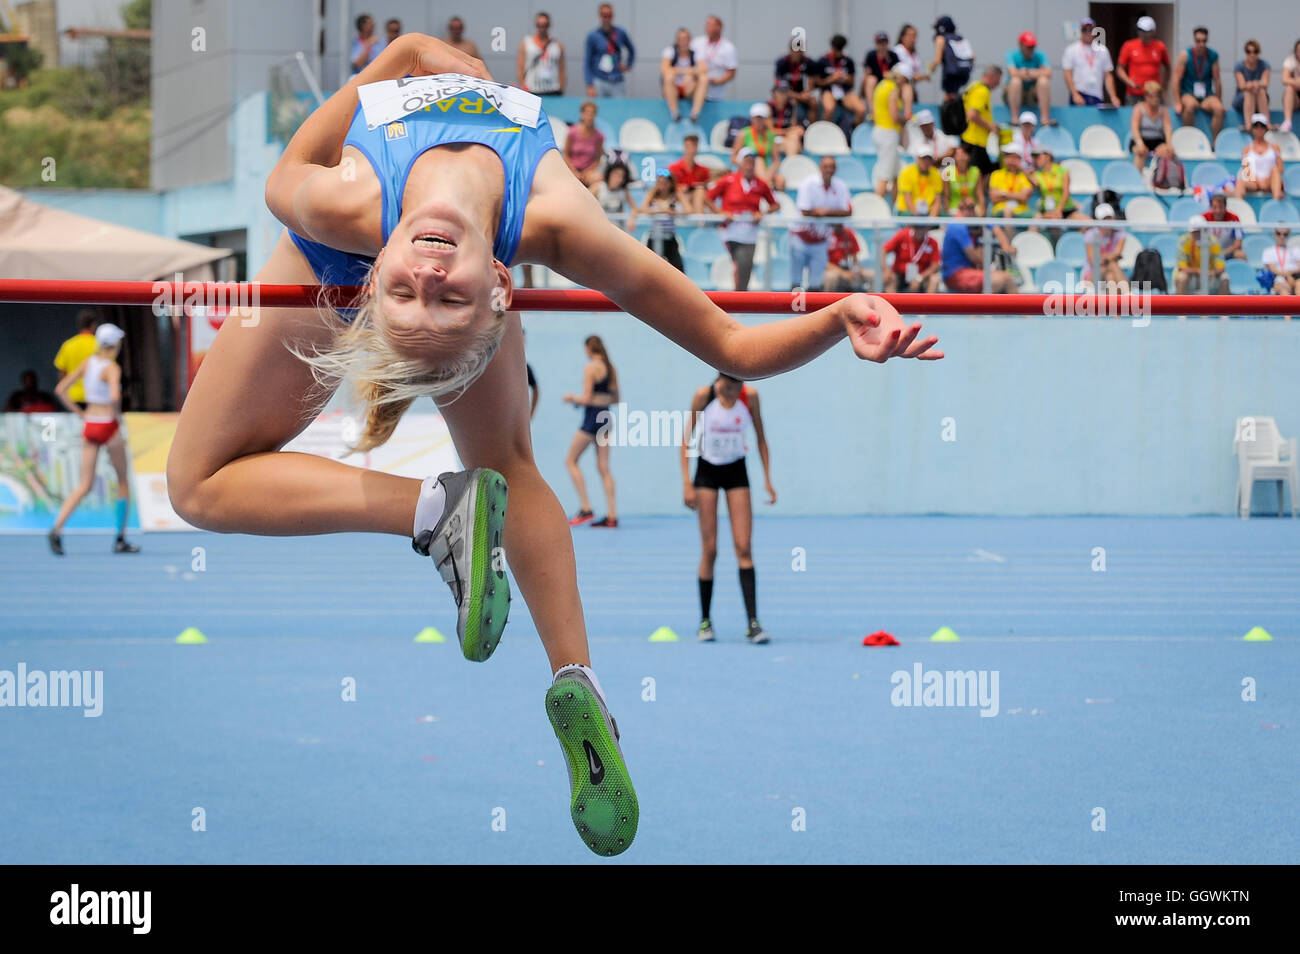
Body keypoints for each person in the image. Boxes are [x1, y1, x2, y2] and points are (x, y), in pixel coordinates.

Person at [164, 34, 942, 858]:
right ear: (496, 285)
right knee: (498, 465)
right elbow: (730, 346)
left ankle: (453, 529)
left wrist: (396, 61)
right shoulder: (556, 222)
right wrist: (841, 315)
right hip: (344, 257)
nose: (428, 279)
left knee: (197, 483)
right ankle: (559, 654)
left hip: (325, 252)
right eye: (439, 292)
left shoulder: (349, 206)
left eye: (412, 290)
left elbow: (290, 169)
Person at [682, 373, 775, 644]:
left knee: (744, 547)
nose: (733, 394)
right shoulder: (704, 395)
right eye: (729, 389)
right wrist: (686, 482)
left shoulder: (751, 397)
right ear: (720, 380)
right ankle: (705, 621)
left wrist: (768, 479)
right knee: (710, 549)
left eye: (738, 389)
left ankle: (753, 623)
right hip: (707, 473)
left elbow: (761, 437)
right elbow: (686, 439)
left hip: (736, 471)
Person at [49, 323, 139, 555]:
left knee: (84, 484)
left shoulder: (88, 364)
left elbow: (61, 389)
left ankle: (57, 529)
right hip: (108, 424)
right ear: (115, 344)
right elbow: (114, 396)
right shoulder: (111, 367)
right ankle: (120, 538)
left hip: (90, 422)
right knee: (122, 482)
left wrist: (80, 413)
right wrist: (117, 414)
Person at [563, 335, 618, 528]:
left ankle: (586, 508)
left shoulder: (590, 368)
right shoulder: (610, 369)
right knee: (604, 467)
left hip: (592, 417)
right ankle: (612, 515)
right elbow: (615, 399)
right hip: (606, 417)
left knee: (570, 460)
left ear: (588, 348)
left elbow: (586, 399)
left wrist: (571, 398)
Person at [707, 148, 779, 290]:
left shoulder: (760, 184)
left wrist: (762, 212)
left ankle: (740, 295)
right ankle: (738, 295)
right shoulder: (728, 180)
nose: (749, 166)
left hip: (750, 232)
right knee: (740, 262)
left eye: (752, 163)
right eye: (746, 162)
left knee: (747, 265)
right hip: (731, 231)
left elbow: (775, 205)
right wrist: (721, 212)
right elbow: (708, 197)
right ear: (740, 164)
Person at [790, 156, 851, 290]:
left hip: (821, 240)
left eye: (832, 167)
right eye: (826, 166)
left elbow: (847, 211)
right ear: (820, 168)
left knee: (816, 283)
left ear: (836, 169)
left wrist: (823, 212)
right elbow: (805, 210)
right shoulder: (808, 183)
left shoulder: (840, 186)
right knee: (796, 281)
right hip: (801, 238)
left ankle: (813, 311)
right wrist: (831, 213)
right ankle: (793, 310)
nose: (829, 170)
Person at [942, 197, 1017, 292]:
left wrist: (1006, 247)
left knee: (1004, 277)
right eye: (965, 208)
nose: (970, 211)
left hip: (968, 271)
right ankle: (984, 306)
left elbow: (994, 228)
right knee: (1004, 279)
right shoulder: (957, 226)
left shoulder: (973, 222)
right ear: (960, 210)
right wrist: (984, 249)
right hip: (955, 274)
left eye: (972, 207)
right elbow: (977, 258)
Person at [1173, 26, 1225, 138]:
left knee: (1219, 109)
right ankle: (1189, 138)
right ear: (1194, 40)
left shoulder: (1212, 55)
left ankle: (1215, 142)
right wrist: (1178, 101)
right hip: (1188, 93)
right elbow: (1176, 79)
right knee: (1190, 106)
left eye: (1204, 41)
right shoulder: (1185, 55)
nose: (1201, 44)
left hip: (1206, 95)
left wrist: (1219, 99)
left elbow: (1217, 79)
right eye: (1198, 41)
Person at [628, 169, 685, 270]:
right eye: (659, 182)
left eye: (665, 183)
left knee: (678, 268)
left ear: (670, 184)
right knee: (649, 267)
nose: (662, 186)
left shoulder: (676, 195)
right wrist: (662, 211)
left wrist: (675, 212)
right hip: (654, 236)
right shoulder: (652, 194)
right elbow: (643, 209)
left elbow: (689, 209)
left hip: (670, 237)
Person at [1063, 17, 1122, 108]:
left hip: (1096, 95)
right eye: (1084, 30)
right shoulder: (1071, 50)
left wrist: (1113, 96)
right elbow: (1067, 74)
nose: (1088, 33)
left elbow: (1108, 76)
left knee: (1095, 122)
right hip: (1080, 94)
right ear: (1080, 31)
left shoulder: (1103, 50)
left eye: (1091, 30)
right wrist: (1074, 94)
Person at [881, 209, 942, 292]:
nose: (919, 230)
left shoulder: (933, 242)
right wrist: (886, 270)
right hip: (900, 274)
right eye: (917, 227)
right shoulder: (902, 235)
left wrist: (919, 277)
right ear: (912, 226)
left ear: (927, 228)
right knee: (890, 278)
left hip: (921, 276)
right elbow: (884, 250)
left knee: (934, 279)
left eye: (922, 227)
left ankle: (928, 305)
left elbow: (935, 266)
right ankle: (891, 304)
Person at [961, 65, 1002, 184]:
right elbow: (972, 115)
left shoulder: (973, 87)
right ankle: (976, 198)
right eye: (998, 80)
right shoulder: (982, 91)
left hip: (971, 139)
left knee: (984, 171)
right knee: (983, 173)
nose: (998, 84)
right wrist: (991, 127)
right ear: (992, 76)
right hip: (975, 140)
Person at [1117, 16, 1171, 106]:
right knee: (1133, 119)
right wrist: (1128, 81)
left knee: (1156, 119)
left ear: (1153, 32)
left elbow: (1168, 68)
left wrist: (1164, 88)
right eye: (1141, 31)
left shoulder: (1160, 46)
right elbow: (1119, 69)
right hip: (1134, 94)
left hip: (1154, 95)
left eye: (1147, 32)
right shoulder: (1128, 46)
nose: (1144, 34)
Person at [872, 64, 907, 199]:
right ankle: (877, 211)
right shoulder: (892, 89)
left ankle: (895, 209)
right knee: (885, 176)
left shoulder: (881, 85)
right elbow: (894, 116)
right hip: (888, 134)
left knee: (895, 174)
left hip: (880, 131)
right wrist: (906, 120)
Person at [730, 103, 785, 190]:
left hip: (765, 171)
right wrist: (746, 166)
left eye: (761, 118)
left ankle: (767, 188)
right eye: (756, 118)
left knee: (780, 180)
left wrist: (769, 173)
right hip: (747, 169)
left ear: (765, 120)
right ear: (752, 119)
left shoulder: (770, 136)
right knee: (758, 161)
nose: (758, 121)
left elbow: (776, 161)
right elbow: (733, 157)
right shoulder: (744, 133)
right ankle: (766, 186)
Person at [53, 310, 100, 409]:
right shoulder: (99, 346)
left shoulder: (68, 345)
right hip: (95, 398)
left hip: (72, 399)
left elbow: (62, 373)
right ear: (94, 325)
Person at [584, 4, 634, 97]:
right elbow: (588, 61)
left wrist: (628, 65)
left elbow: (632, 50)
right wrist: (589, 84)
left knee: (619, 109)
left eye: (609, 15)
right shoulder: (593, 36)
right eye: (604, 15)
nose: (607, 18)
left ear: (613, 15)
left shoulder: (620, 32)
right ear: (600, 16)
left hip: (617, 80)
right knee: (599, 109)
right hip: (600, 79)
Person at [817, 34, 865, 132]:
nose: (838, 53)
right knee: (829, 108)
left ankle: (853, 131)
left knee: (861, 109)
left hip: (844, 92)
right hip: (828, 91)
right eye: (836, 49)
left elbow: (852, 83)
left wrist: (845, 79)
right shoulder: (823, 60)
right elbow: (817, 83)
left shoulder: (848, 61)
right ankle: (825, 132)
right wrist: (831, 79)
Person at [773, 35, 823, 126]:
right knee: (781, 98)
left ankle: (811, 128)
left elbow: (811, 83)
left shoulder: (809, 62)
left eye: (800, 50)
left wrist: (806, 93)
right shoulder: (782, 62)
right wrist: (798, 96)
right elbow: (781, 86)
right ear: (790, 49)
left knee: (813, 102)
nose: (797, 52)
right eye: (794, 49)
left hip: (802, 93)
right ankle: (782, 127)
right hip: (787, 92)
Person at [1006, 31, 1054, 126]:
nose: (1031, 49)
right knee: (1016, 81)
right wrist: (1038, 72)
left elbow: (1048, 73)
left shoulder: (1040, 55)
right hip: (1014, 93)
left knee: (1043, 81)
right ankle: (1015, 119)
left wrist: (1026, 72)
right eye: (1028, 47)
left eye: (1033, 46)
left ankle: (1045, 119)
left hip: (1032, 94)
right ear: (1020, 45)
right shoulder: (1011, 54)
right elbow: (1012, 73)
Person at [1234, 114, 1285, 200]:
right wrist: (1259, 182)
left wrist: (1266, 180)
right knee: (1240, 183)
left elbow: (1280, 168)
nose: (1259, 129)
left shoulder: (1274, 147)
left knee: (1275, 169)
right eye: (1256, 126)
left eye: (1262, 126)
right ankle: (1239, 207)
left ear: (1266, 128)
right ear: (1252, 128)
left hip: (1271, 181)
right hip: (1254, 182)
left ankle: (1276, 199)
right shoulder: (1246, 149)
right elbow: (1247, 172)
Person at [1082, 203, 1130, 293]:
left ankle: (1114, 304)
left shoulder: (1120, 234)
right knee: (1112, 265)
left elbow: (1115, 255)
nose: (1108, 221)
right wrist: (1110, 258)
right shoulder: (1091, 234)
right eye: (1105, 219)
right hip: (1092, 274)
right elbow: (1094, 262)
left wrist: (1104, 258)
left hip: (1109, 271)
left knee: (1110, 276)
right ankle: (1127, 293)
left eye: (1109, 218)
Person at [662, 27, 707, 122]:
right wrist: (689, 71)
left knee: (703, 79)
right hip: (674, 89)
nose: (684, 42)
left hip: (689, 88)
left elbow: (703, 69)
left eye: (686, 39)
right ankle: (675, 113)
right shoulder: (670, 51)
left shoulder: (695, 53)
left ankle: (695, 113)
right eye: (681, 39)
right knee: (668, 77)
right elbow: (665, 69)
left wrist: (689, 76)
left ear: (690, 40)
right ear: (677, 40)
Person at [1130, 81, 1176, 171]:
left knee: (1167, 152)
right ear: (1146, 96)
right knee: (1141, 152)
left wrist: (1169, 145)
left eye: (1157, 96)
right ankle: (1137, 179)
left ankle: (1161, 180)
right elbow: (1135, 129)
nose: (1155, 99)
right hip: (1141, 139)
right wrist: (1140, 143)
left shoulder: (1163, 110)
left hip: (1157, 140)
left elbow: (1168, 129)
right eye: (1152, 96)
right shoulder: (1138, 108)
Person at [690, 15, 738, 101]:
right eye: (707, 25)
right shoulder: (697, 42)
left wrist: (716, 81)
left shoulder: (728, 47)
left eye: (711, 25)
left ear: (719, 27)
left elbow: (731, 72)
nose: (708, 28)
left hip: (714, 93)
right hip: (693, 90)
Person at [518, 11, 566, 96]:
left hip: (553, 89)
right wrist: (523, 86)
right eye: (539, 25)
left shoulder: (557, 44)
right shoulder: (527, 43)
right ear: (536, 25)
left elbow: (562, 68)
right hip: (531, 89)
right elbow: (520, 67)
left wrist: (561, 87)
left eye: (545, 25)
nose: (542, 28)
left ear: (549, 25)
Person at [1029, 145, 1084, 220]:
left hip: (1066, 209)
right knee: (1050, 219)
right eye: (1034, 158)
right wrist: (1025, 172)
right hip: (1047, 211)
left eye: (1038, 156)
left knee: (1088, 222)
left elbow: (1066, 192)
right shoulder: (1038, 174)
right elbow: (1034, 183)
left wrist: (1058, 210)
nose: (1035, 160)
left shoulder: (1063, 170)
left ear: (1048, 156)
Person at [927, 16, 975, 101]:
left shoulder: (941, 39)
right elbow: (972, 57)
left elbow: (937, 60)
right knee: (958, 97)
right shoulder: (960, 38)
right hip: (964, 74)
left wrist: (929, 71)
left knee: (949, 99)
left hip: (950, 75)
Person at [1174, 217, 1227, 292]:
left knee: (1225, 278)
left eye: (1200, 231)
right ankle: (1181, 303)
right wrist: (1198, 271)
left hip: (1210, 276)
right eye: (1195, 232)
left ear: (1205, 230)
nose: (1198, 234)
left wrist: (1212, 272)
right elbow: (1182, 267)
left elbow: (1221, 267)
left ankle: (1221, 303)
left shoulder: (1214, 241)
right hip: (1191, 276)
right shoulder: (1184, 241)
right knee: (1182, 277)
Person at [668, 133, 714, 213]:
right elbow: (669, 188)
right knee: (681, 192)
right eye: (689, 146)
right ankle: (695, 216)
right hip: (679, 197)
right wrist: (680, 187)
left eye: (694, 146)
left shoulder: (703, 170)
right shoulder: (673, 168)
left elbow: (708, 188)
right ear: (684, 147)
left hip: (696, 196)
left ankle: (698, 220)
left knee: (700, 190)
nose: (692, 149)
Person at [564, 100, 605, 186]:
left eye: (592, 113)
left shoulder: (599, 136)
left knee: (599, 179)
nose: (590, 116)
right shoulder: (572, 132)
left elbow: (598, 159)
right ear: (582, 114)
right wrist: (574, 171)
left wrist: (586, 172)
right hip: (572, 169)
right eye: (587, 113)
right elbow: (566, 154)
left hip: (588, 172)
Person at [989, 144, 1034, 218]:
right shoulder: (996, 174)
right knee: (1008, 211)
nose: (1010, 160)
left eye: (1013, 157)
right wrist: (1017, 195)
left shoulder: (1024, 176)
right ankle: (1008, 230)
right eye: (1007, 156)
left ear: (1019, 159)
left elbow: (1024, 197)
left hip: (1021, 211)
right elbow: (994, 198)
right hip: (1000, 209)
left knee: (1037, 216)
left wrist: (1003, 193)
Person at [823, 223, 871, 291]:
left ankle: (872, 300)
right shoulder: (826, 234)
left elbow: (855, 258)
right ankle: (827, 300)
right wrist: (842, 273)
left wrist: (857, 270)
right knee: (831, 277)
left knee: (872, 276)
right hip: (831, 270)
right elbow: (823, 263)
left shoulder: (848, 233)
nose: (839, 226)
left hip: (847, 269)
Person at [896, 146, 943, 216]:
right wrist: (918, 217)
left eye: (929, 159)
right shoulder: (907, 172)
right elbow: (907, 198)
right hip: (908, 211)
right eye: (923, 158)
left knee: (947, 218)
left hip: (928, 213)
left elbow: (937, 200)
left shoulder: (936, 174)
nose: (926, 161)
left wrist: (931, 219)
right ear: (918, 158)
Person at [1234, 40, 1270, 130]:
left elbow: (1265, 83)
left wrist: (1256, 84)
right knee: (1249, 92)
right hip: (1241, 100)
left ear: (1258, 52)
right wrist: (1252, 85)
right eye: (1249, 52)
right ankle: (1249, 125)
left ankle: (1267, 124)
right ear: (1246, 53)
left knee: (1260, 91)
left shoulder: (1265, 65)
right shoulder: (1239, 65)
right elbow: (1242, 86)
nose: (1252, 55)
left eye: (1255, 52)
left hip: (1259, 97)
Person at [893, 24, 927, 120]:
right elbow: (905, 74)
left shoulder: (914, 54)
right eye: (910, 35)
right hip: (901, 91)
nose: (913, 39)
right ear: (902, 37)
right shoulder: (898, 51)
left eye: (915, 36)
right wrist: (923, 77)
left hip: (913, 89)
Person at [861, 30, 899, 113]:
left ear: (887, 43)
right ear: (876, 43)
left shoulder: (893, 55)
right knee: (871, 80)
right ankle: (873, 112)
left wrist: (890, 75)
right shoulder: (871, 55)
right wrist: (861, 91)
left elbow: (898, 72)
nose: (882, 45)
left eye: (884, 42)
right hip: (876, 84)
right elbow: (866, 73)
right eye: (879, 42)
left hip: (889, 83)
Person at [944, 142, 985, 215]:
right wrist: (948, 213)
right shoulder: (949, 172)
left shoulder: (975, 171)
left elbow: (980, 195)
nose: (961, 158)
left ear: (969, 156)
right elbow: (946, 196)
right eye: (958, 155)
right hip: (955, 208)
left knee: (977, 212)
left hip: (972, 207)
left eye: (964, 154)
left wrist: (982, 212)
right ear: (954, 158)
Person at [1203, 190, 1245, 260]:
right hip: (1209, 253)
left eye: (1221, 207)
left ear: (1225, 207)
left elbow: (1238, 243)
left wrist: (1222, 253)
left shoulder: (1234, 218)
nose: (1218, 211)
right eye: (1215, 207)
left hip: (1228, 252)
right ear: (1211, 207)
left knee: (1240, 255)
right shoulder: (1203, 218)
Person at [1260, 226, 1300, 293]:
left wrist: (1290, 274)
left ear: (1289, 235)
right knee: (1283, 289)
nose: (1282, 236)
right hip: (1279, 278)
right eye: (1279, 233)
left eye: (1285, 234)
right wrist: (1287, 276)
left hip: (1295, 277)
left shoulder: (1295, 250)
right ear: (1274, 234)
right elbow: (1272, 268)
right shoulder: (1268, 251)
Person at [1282, 39, 1300, 133]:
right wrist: (1296, 82)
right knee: (1289, 88)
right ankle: (1288, 122)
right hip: (1296, 99)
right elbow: (1284, 79)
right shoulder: (1290, 60)